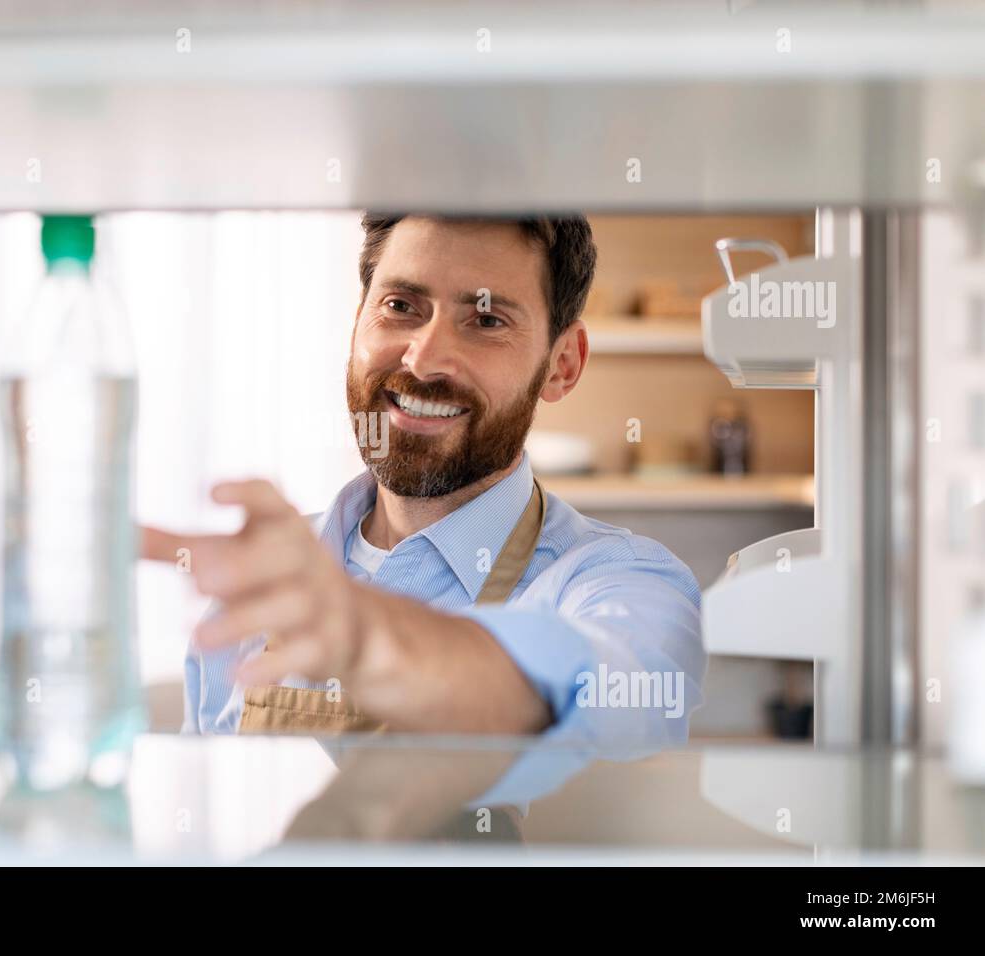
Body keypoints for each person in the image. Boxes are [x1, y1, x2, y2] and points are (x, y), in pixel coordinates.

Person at [143, 213, 705, 742]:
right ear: (358, 315)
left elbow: (621, 691)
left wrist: (371, 636)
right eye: (401, 305)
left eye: (486, 320)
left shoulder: (620, 581)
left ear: (562, 365)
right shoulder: (254, 603)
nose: (424, 359)